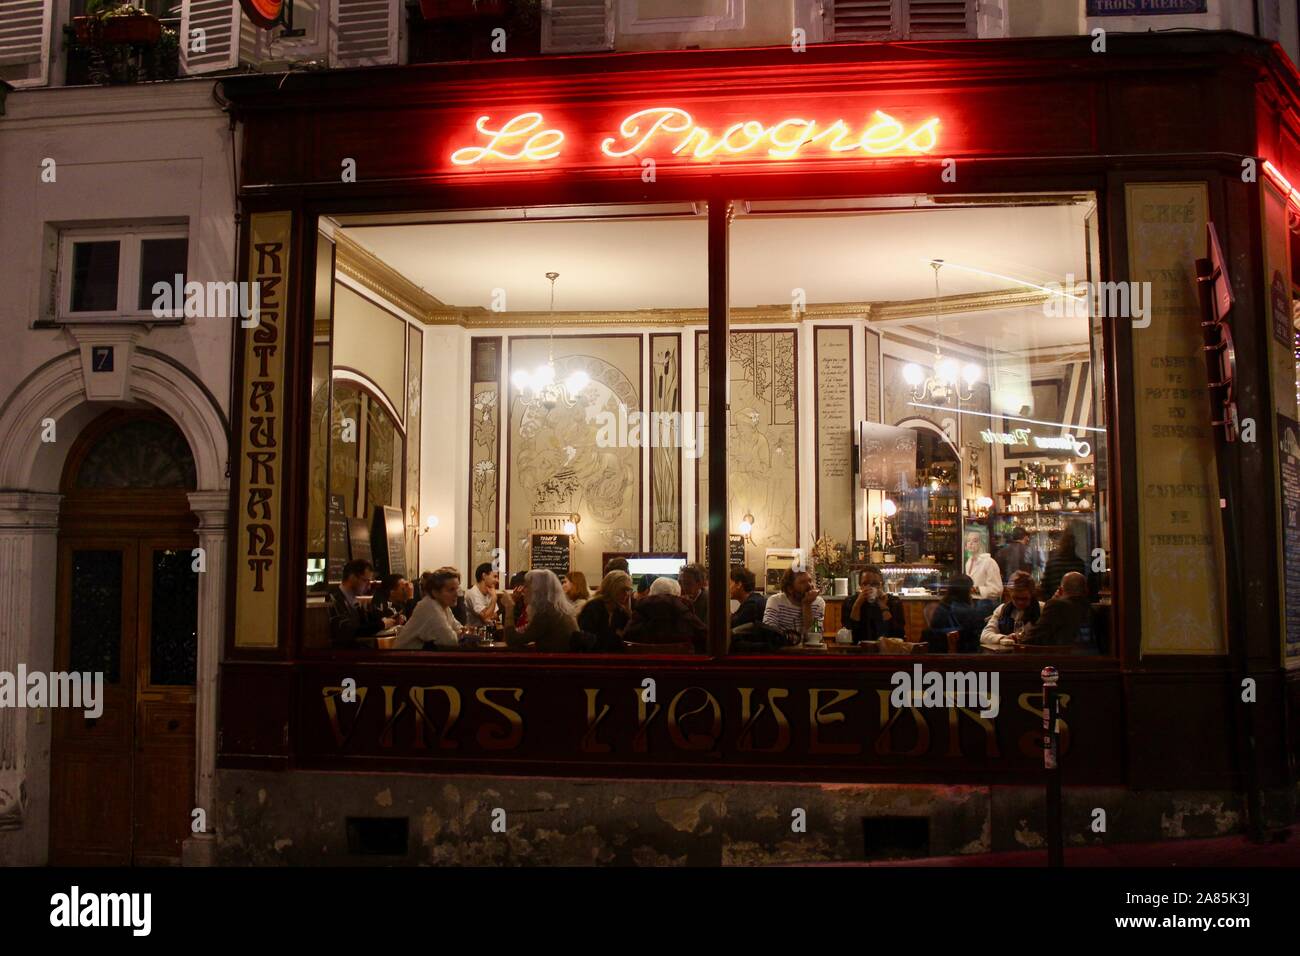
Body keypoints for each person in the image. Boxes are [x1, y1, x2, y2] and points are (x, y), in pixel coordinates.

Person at [326, 559, 396, 649]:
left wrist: (387, 619)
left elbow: (365, 625)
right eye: (365, 581)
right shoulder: (333, 599)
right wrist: (382, 624)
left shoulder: (354, 599)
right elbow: (349, 632)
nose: (369, 586)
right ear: (352, 577)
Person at [624, 576, 706, 651]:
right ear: (678, 595)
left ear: (651, 593)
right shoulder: (684, 612)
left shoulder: (640, 612)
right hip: (681, 665)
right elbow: (705, 638)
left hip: (643, 664)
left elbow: (626, 639)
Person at [506, 569, 579, 652]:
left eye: (526, 586)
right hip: (562, 661)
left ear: (537, 590)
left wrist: (509, 607)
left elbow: (512, 640)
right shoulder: (554, 609)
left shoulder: (546, 613)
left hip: (556, 663)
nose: (523, 590)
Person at [395, 570, 462, 649]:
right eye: (451, 590)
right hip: (405, 658)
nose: (457, 594)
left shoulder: (444, 606)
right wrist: (459, 634)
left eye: (457, 589)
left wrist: (459, 633)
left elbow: (460, 628)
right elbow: (450, 641)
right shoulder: (430, 607)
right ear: (435, 592)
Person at [1021, 571, 1091, 647]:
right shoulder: (1092, 609)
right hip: (1091, 657)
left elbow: (1032, 638)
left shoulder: (1056, 605)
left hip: (1061, 657)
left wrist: (1017, 640)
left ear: (1060, 590)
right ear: (1086, 591)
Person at [927, 573, 991, 654]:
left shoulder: (944, 605)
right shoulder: (962, 609)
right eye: (970, 587)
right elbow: (974, 635)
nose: (972, 590)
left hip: (937, 653)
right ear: (966, 590)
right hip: (958, 656)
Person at [980, 570, 1041, 653]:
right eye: (1016, 598)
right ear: (1010, 594)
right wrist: (1005, 639)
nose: (1020, 602)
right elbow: (984, 636)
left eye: (1024, 599)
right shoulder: (1002, 609)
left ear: (1032, 594)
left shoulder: (1042, 609)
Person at [843, 566, 904, 644]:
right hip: (858, 649)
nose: (870, 587)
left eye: (875, 584)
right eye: (865, 584)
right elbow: (849, 633)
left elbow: (897, 634)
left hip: (887, 650)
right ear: (860, 585)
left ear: (882, 585)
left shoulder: (894, 602)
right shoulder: (850, 601)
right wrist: (857, 605)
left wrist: (883, 606)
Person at [762, 568, 825, 643]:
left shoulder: (818, 603)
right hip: (782, 651)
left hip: (808, 652)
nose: (809, 585)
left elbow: (816, 636)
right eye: (802, 582)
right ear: (790, 588)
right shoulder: (775, 601)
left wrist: (807, 605)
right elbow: (768, 632)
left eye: (810, 581)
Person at [577, 570, 633, 652]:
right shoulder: (593, 607)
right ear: (612, 589)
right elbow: (586, 641)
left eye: (628, 590)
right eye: (623, 590)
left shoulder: (621, 612)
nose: (626, 594)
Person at [1040, 528, 1087, 601]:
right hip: (1075, 604)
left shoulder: (1053, 562)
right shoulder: (1079, 563)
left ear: (1061, 544)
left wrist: (1049, 601)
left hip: (1055, 603)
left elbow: (1044, 587)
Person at [963, 531, 1003, 601]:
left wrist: (976, 590)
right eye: (968, 541)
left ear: (981, 544)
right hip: (971, 602)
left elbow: (997, 589)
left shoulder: (989, 562)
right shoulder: (968, 562)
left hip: (985, 604)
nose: (971, 543)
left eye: (975, 541)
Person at [465, 562, 501, 629]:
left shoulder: (490, 591)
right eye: (495, 576)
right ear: (484, 576)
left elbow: (495, 616)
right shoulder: (472, 593)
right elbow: (486, 618)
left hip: (488, 632)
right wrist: (494, 599)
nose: (497, 580)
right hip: (474, 634)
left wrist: (487, 613)